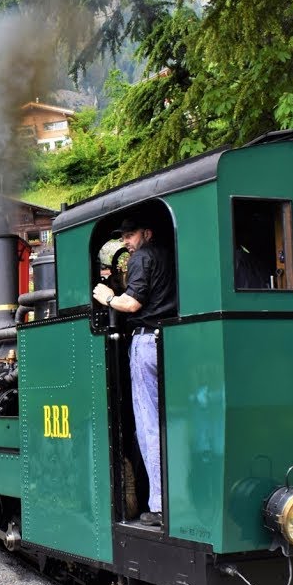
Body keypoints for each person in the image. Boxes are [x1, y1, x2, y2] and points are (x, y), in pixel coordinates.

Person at [91, 216, 176, 527]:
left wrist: (109, 297)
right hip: (169, 341)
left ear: (147, 232)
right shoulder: (171, 254)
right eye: (124, 236)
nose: (126, 241)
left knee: (148, 425)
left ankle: (159, 505)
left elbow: (133, 304)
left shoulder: (142, 257)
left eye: (130, 235)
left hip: (146, 342)